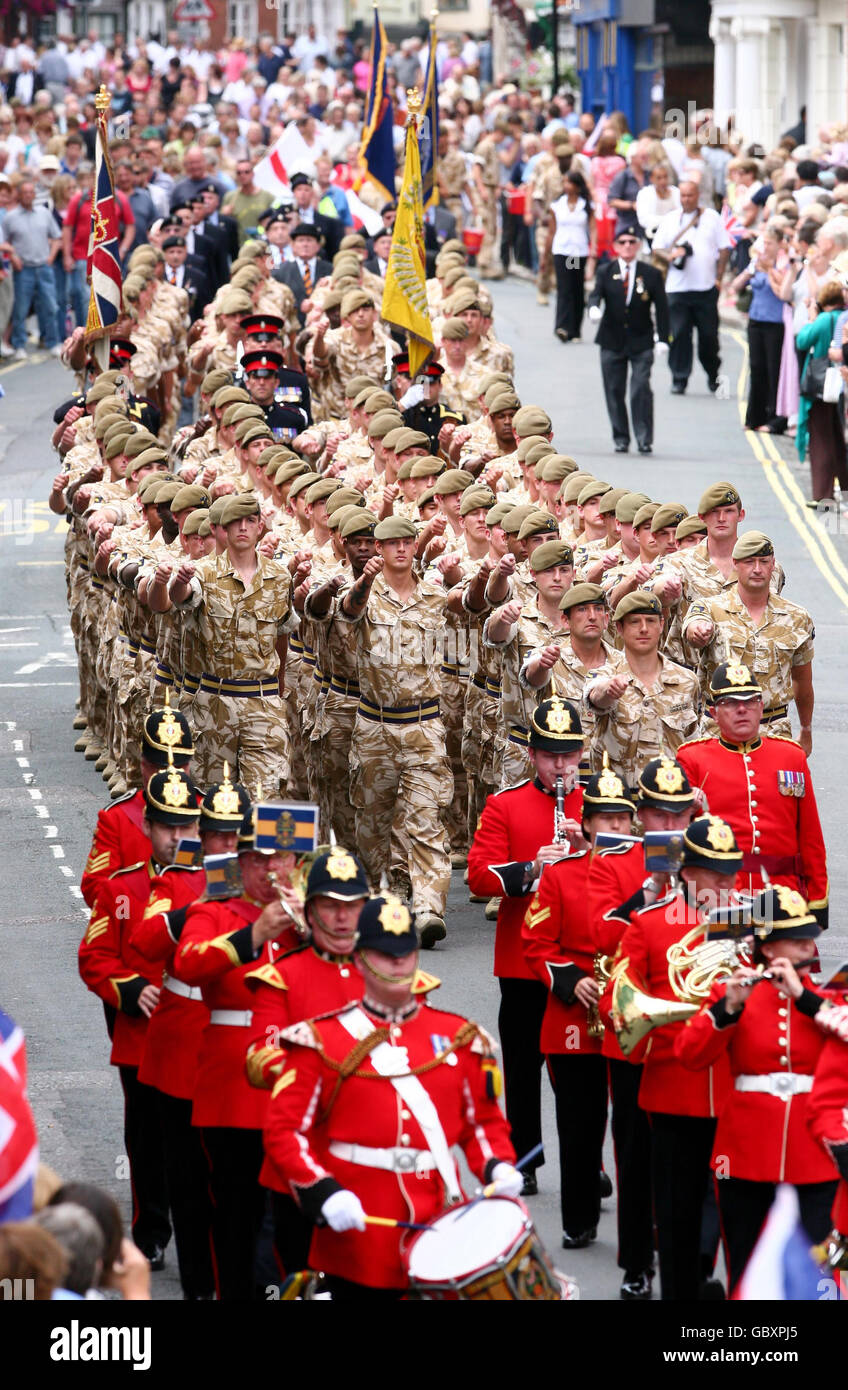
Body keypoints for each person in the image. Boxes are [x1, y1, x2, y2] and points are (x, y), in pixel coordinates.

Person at [263, 892, 520, 1299]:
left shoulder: (459, 1038)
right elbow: (284, 1131)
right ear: (361, 958)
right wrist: (320, 1190)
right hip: (356, 1227)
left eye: (406, 952)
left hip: (439, 1222)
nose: (399, 962)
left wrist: (496, 1166)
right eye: (385, 954)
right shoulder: (318, 1041)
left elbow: (481, 1122)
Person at [677, 885, 837, 1292]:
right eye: (795, 937)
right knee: (747, 1263)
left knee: (818, 1265)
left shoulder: (825, 998)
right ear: (768, 948)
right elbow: (690, 1054)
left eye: (808, 936)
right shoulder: (736, 994)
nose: (808, 944)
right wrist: (727, 1007)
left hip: (813, 1154)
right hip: (745, 1153)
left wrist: (804, 1000)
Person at [610, 815, 740, 1300]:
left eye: (731, 872)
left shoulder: (750, 927)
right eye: (715, 873)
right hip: (672, 1096)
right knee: (678, 1217)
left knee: (734, 1219)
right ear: (687, 873)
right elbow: (618, 1005)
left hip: (733, 1097)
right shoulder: (649, 926)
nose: (728, 884)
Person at [176, 805, 302, 1300]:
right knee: (234, 1212)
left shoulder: (308, 912)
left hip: (296, 1079)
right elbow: (188, 964)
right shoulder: (216, 908)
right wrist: (252, 936)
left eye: (283, 858)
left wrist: (314, 933)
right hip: (232, 1085)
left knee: (294, 1214)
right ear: (240, 863)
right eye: (257, 860)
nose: (271, 871)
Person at [78, 762, 201, 1270]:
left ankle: (202, 1234)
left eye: (186, 825)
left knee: (195, 1144)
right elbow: (94, 956)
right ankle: (150, 1230)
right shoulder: (122, 888)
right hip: (143, 1035)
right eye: (166, 826)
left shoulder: (217, 885)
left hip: (199, 1038)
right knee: (147, 1138)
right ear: (147, 827)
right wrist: (129, 991)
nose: (176, 837)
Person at [468, 696, 586, 1196]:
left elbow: (632, 871)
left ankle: (586, 1165)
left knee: (579, 1078)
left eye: (568, 754)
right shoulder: (506, 804)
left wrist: (589, 852)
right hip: (520, 962)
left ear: (581, 753)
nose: (559, 765)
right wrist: (533, 869)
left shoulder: (603, 806)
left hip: (581, 959)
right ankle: (527, 1160)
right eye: (549, 754)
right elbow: (477, 876)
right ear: (533, 755)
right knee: (521, 1069)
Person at [522, 766, 635, 1250]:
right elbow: (535, 941)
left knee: (632, 1128)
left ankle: (639, 1226)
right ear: (585, 824)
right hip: (576, 1009)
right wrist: (571, 981)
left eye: (621, 820)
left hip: (631, 1008)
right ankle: (578, 1218)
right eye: (603, 819)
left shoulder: (651, 873)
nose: (612, 828)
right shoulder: (563, 875)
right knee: (578, 1121)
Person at [245, 846, 372, 1274]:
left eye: (351, 906)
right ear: (310, 909)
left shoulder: (384, 973)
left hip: (370, 1162)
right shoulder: (280, 976)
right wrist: (317, 1073)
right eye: (330, 907)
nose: (341, 918)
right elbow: (261, 1056)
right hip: (299, 1159)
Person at [163, 493, 299, 791]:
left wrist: (280, 686)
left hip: (263, 703)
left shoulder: (279, 577)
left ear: (260, 527)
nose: (243, 528)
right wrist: (178, 582)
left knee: (266, 800)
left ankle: (257, 840)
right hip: (215, 705)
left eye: (250, 521)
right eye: (235, 522)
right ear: (222, 529)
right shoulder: (204, 573)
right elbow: (180, 598)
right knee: (214, 801)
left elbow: (282, 633)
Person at [676, 661, 828, 924]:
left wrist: (817, 899)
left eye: (750, 701)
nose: (742, 709)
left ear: (761, 707)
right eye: (731, 703)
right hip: (719, 896)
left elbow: (810, 836)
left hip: (784, 895)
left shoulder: (791, 756)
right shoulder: (692, 759)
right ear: (713, 712)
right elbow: (676, 834)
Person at [683, 530, 815, 748]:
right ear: (735, 564)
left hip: (774, 729)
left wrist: (806, 729)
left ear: (773, 565)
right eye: (749, 562)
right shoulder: (710, 608)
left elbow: (802, 679)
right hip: (720, 730)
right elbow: (693, 628)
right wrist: (698, 631)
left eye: (763, 562)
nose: (757, 569)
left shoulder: (797, 617)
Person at [587, 225, 669, 454]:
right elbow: (595, 295)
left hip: (641, 340)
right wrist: (593, 309)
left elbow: (662, 308)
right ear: (615, 246)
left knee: (640, 388)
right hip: (611, 340)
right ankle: (621, 437)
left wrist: (663, 338)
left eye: (632, 242)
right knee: (614, 390)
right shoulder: (606, 270)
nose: (627, 246)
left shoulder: (651, 273)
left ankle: (644, 438)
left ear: (639, 246)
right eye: (622, 242)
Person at [652, 180, 731, 395]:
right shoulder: (670, 220)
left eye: (690, 195)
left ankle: (713, 374)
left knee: (708, 337)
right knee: (679, 335)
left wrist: (719, 277)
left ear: (698, 196)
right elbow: (657, 247)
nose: (686, 200)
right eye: (683, 196)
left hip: (705, 289)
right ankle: (679, 378)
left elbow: (725, 248)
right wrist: (671, 255)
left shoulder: (712, 218)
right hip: (677, 290)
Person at [796, 280, 848, 501]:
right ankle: (844, 490)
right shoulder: (843, 317)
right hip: (840, 385)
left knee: (820, 440)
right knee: (838, 440)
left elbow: (802, 340)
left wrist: (810, 318)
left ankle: (822, 494)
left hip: (822, 385)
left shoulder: (826, 318)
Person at [732, 228, 787, 430]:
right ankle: (754, 417)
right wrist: (751, 270)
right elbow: (736, 286)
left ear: (779, 245)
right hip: (756, 320)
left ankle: (773, 418)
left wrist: (769, 270)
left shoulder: (782, 265)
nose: (765, 248)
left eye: (769, 243)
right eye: (763, 243)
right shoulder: (756, 263)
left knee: (773, 369)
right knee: (756, 368)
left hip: (775, 323)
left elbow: (782, 292)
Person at [2, 177, 62, 358]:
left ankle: (53, 342)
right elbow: (4, 242)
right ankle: (19, 345)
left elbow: (57, 237)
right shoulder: (10, 217)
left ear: (35, 195)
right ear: (19, 195)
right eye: (25, 192)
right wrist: (12, 257)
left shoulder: (44, 213)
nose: (28, 195)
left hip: (44, 266)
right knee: (21, 308)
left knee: (51, 306)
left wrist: (51, 256)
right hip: (23, 269)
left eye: (31, 192)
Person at [543, 168, 594, 343]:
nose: (567, 186)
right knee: (564, 288)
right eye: (565, 182)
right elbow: (552, 230)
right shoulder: (558, 205)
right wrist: (546, 254)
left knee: (576, 287)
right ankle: (562, 326)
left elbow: (592, 229)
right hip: (562, 250)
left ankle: (575, 328)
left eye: (570, 182)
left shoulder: (585, 205)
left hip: (576, 252)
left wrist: (594, 250)